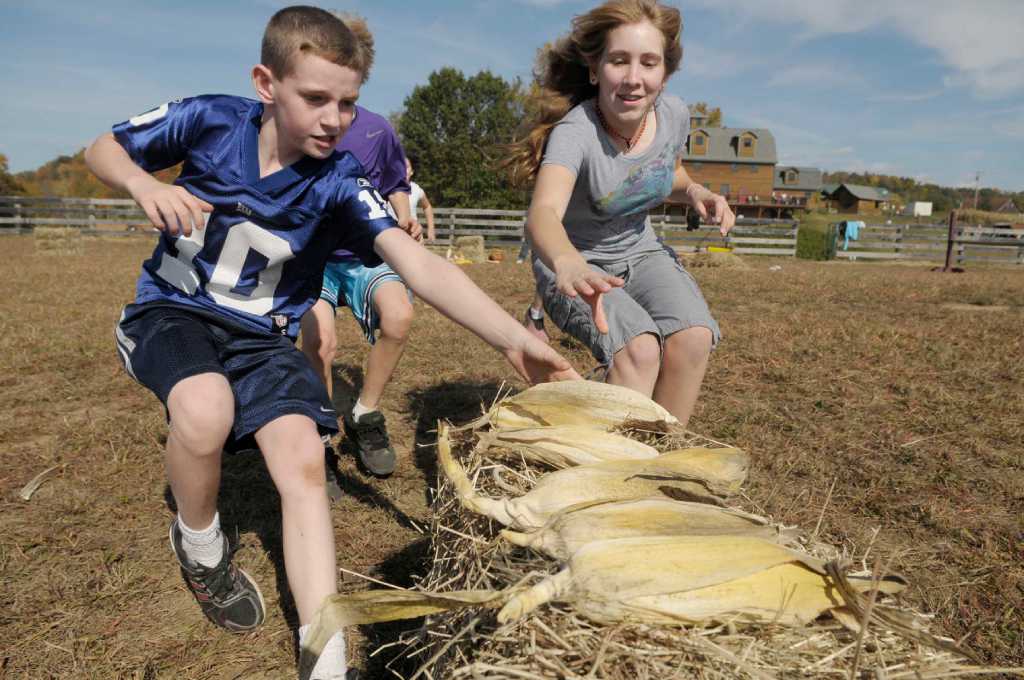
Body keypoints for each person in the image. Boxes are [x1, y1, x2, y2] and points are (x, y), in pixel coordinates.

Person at [86, 7, 577, 679]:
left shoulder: (342, 180)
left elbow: (419, 265)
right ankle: (199, 544)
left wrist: (513, 341)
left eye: (347, 103)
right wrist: (142, 183)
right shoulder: (207, 120)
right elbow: (102, 149)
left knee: (305, 464)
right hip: (175, 312)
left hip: (263, 340)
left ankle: (327, 659)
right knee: (204, 411)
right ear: (267, 83)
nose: (333, 118)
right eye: (315, 98)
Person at [505, 0, 735, 429]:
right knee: (639, 350)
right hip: (575, 264)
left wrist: (696, 192)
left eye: (649, 63)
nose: (633, 78)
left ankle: (661, 461)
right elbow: (543, 214)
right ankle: (612, 473)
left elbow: (669, 170)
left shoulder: (674, 115)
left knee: (693, 337)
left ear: (664, 74)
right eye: (618, 61)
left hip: (642, 252)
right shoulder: (576, 133)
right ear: (595, 70)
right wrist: (568, 261)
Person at [299, 15, 419, 483]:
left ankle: (365, 413)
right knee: (319, 342)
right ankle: (322, 433)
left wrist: (404, 213)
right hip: (312, 260)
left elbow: (394, 180)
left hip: (365, 255)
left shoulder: (377, 129)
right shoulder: (296, 126)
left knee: (400, 316)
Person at [406, 157, 436, 241]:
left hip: (413, 235)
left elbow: (427, 207)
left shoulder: (417, 190)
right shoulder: (387, 189)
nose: (402, 170)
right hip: (393, 234)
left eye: (406, 167)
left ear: (411, 172)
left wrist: (431, 228)